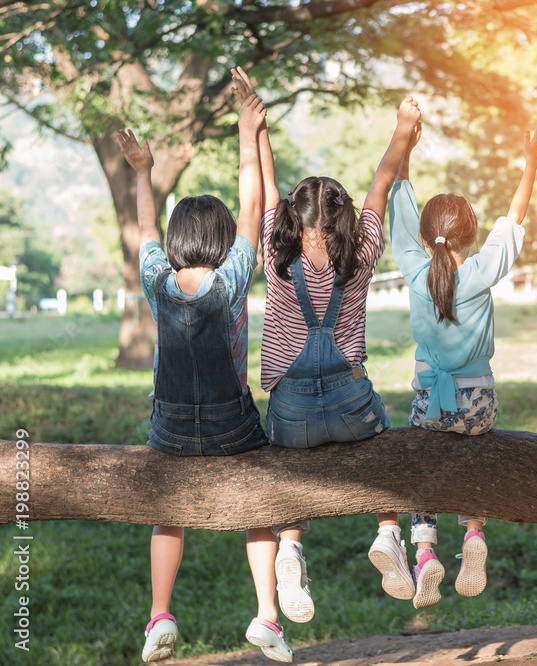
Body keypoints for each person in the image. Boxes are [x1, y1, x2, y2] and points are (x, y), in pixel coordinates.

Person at [123, 69, 293, 663]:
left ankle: (159, 616)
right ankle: (268, 617)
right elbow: (254, 204)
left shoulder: (155, 279)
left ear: (175, 241)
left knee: (167, 518)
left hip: (169, 428)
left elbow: (145, 225)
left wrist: (143, 172)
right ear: (223, 239)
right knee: (264, 506)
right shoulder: (232, 277)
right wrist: (249, 129)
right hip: (233, 427)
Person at [250, 79, 423, 618]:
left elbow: (267, 184)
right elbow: (382, 179)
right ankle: (389, 532)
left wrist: (256, 127)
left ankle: (292, 550)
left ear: (291, 222)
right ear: (344, 217)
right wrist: (402, 129)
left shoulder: (275, 258)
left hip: (290, 411)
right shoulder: (363, 252)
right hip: (351, 405)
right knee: (386, 447)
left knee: (289, 469)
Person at [385, 119, 537, 608]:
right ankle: (474, 534)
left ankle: (425, 554)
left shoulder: (416, 272)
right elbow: (514, 221)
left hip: (429, 403)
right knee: (474, 454)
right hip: (479, 404)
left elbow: (400, 205)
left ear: (425, 236)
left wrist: (406, 150)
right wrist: (532, 163)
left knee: (422, 466)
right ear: (471, 234)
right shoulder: (480, 272)